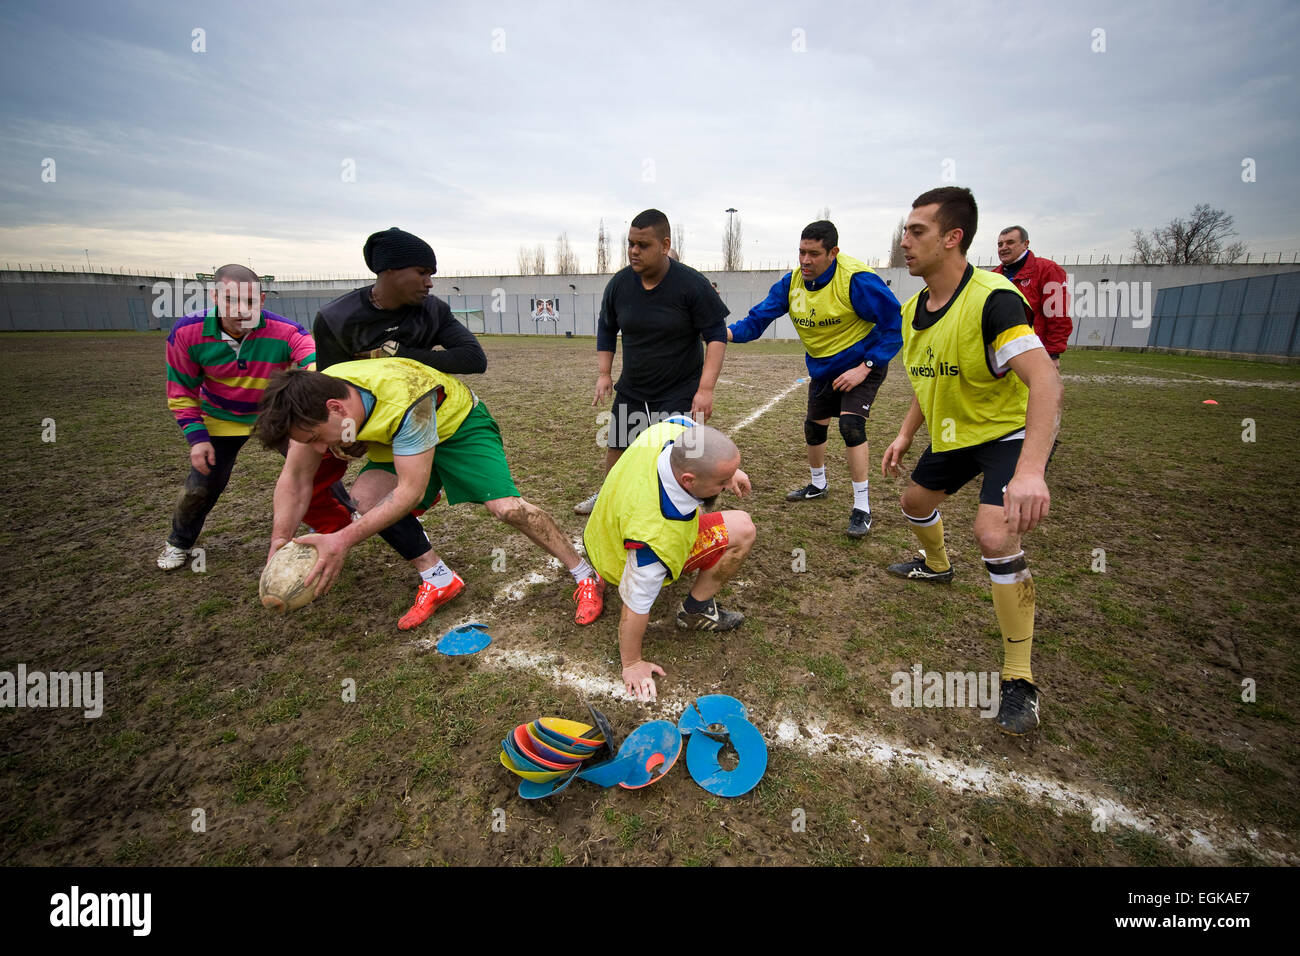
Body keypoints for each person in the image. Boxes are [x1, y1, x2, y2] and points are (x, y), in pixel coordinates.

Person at [882, 187, 1062, 736]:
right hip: (956, 436)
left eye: (917, 232)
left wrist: (1030, 470)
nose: (905, 242)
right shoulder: (914, 311)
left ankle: (1019, 678)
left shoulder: (994, 298)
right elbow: (927, 379)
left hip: (1007, 435)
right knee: (914, 504)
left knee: (992, 534)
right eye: (906, 231)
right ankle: (937, 565)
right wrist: (906, 434)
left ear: (952, 238)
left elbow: (1045, 380)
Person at [255, 359, 604, 628]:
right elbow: (296, 477)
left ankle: (585, 574)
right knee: (365, 505)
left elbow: (408, 492)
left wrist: (342, 541)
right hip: (398, 438)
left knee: (507, 509)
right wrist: (279, 539)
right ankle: (439, 579)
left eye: (317, 437)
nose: (319, 449)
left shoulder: (405, 401)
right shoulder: (310, 397)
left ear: (336, 408)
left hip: (457, 425)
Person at [308, 227, 490, 629]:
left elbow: (474, 358)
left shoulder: (433, 309)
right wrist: (349, 438)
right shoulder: (337, 319)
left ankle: (426, 489)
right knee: (364, 502)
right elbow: (332, 388)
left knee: (490, 503)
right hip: (382, 427)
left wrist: (402, 356)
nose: (430, 282)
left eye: (432, 273)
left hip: (440, 416)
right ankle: (436, 575)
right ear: (387, 271)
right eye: (422, 272)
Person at [727, 220, 901, 537]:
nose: (805, 261)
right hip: (823, 367)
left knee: (850, 426)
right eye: (801, 252)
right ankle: (818, 484)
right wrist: (724, 333)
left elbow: (894, 325)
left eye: (814, 254)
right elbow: (758, 320)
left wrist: (866, 365)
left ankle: (862, 507)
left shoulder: (858, 280)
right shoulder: (791, 284)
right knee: (813, 426)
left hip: (863, 361)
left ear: (833, 253)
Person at [579, 419, 755, 701]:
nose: (725, 487)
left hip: (602, 532)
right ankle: (695, 612)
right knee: (743, 528)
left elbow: (687, 426)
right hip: (618, 559)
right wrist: (632, 663)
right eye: (721, 483)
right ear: (688, 480)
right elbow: (635, 604)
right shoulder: (656, 534)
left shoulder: (668, 431)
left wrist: (729, 472)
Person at [158, 265, 317, 570]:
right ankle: (178, 542)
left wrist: (314, 386)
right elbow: (181, 392)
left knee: (314, 469)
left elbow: (314, 362)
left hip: (274, 416)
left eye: (251, 302)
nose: (242, 310)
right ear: (215, 295)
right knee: (200, 487)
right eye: (231, 300)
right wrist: (197, 438)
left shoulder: (287, 331)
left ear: (264, 299)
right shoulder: (187, 332)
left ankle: (334, 522)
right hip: (220, 417)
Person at [573, 209, 729, 515]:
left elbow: (716, 335)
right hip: (633, 387)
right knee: (618, 444)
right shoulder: (620, 284)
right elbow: (607, 327)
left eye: (642, 245)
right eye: (630, 243)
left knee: (680, 454)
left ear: (664, 245)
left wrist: (706, 389)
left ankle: (687, 508)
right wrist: (604, 373)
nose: (633, 251)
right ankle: (608, 496)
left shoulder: (691, 284)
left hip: (679, 390)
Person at [992, 226, 1072, 367]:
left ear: (1025, 244)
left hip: (1034, 353)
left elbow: (1058, 315)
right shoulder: (993, 276)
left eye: (1010, 242)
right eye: (1000, 244)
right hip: (1001, 356)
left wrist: (1053, 353)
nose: (1003, 247)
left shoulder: (1047, 270)